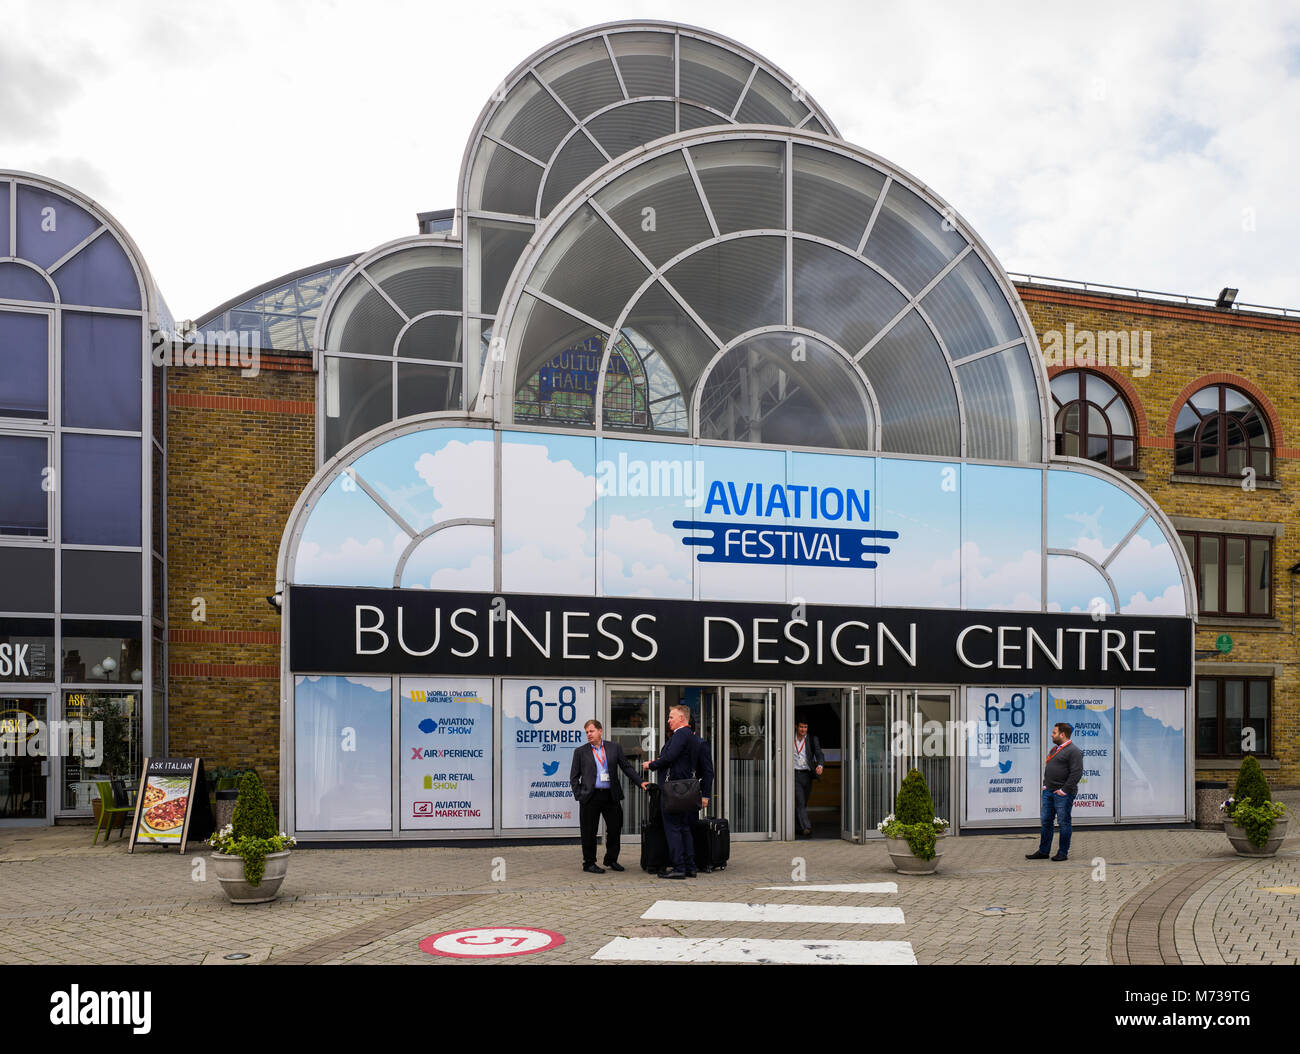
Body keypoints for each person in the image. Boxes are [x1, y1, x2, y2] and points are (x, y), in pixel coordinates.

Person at [570, 718, 641, 874]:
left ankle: (611, 859)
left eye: (591, 731)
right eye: (587, 732)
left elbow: (626, 767)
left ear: (600, 731)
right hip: (590, 796)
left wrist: (640, 782)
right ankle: (589, 863)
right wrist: (579, 795)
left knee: (615, 828)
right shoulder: (580, 752)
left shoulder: (614, 748)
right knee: (589, 831)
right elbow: (574, 777)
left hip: (610, 795)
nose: (588, 734)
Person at [641, 704, 702, 879]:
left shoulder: (680, 735)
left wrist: (651, 765)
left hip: (674, 790)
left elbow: (670, 757)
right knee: (684, 828)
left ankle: (679, 867)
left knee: (673, 828)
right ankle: (690, 867)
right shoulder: (691, 736)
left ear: (682, 718)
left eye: (671, 717)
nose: (668, 721)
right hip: (686, 790)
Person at [1026, 722, 1083, 861]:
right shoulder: (1055, 749)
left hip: (1062, 794)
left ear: (1062, 734)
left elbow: (1076, 773)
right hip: (1049, 792)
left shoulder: (1074, 751)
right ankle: (1043, 851)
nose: (1052, 734)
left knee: (1064, 822)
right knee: (1046, 821)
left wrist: (1064, 790)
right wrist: (1046, 785)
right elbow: (1049, 768)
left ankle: (1063, 853)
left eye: (1054, 732)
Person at [792, 719, 825, 837]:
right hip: (795, 774)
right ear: (796, 726)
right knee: (800, 802)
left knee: (803, 803)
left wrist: (820, 765)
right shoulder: (789, 737)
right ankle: (806, 827)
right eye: (801, 727)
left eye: (805, 727)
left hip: (807, 774)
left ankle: (797, 826)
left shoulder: (812, 739)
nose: (803, 730)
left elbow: (819, 754)